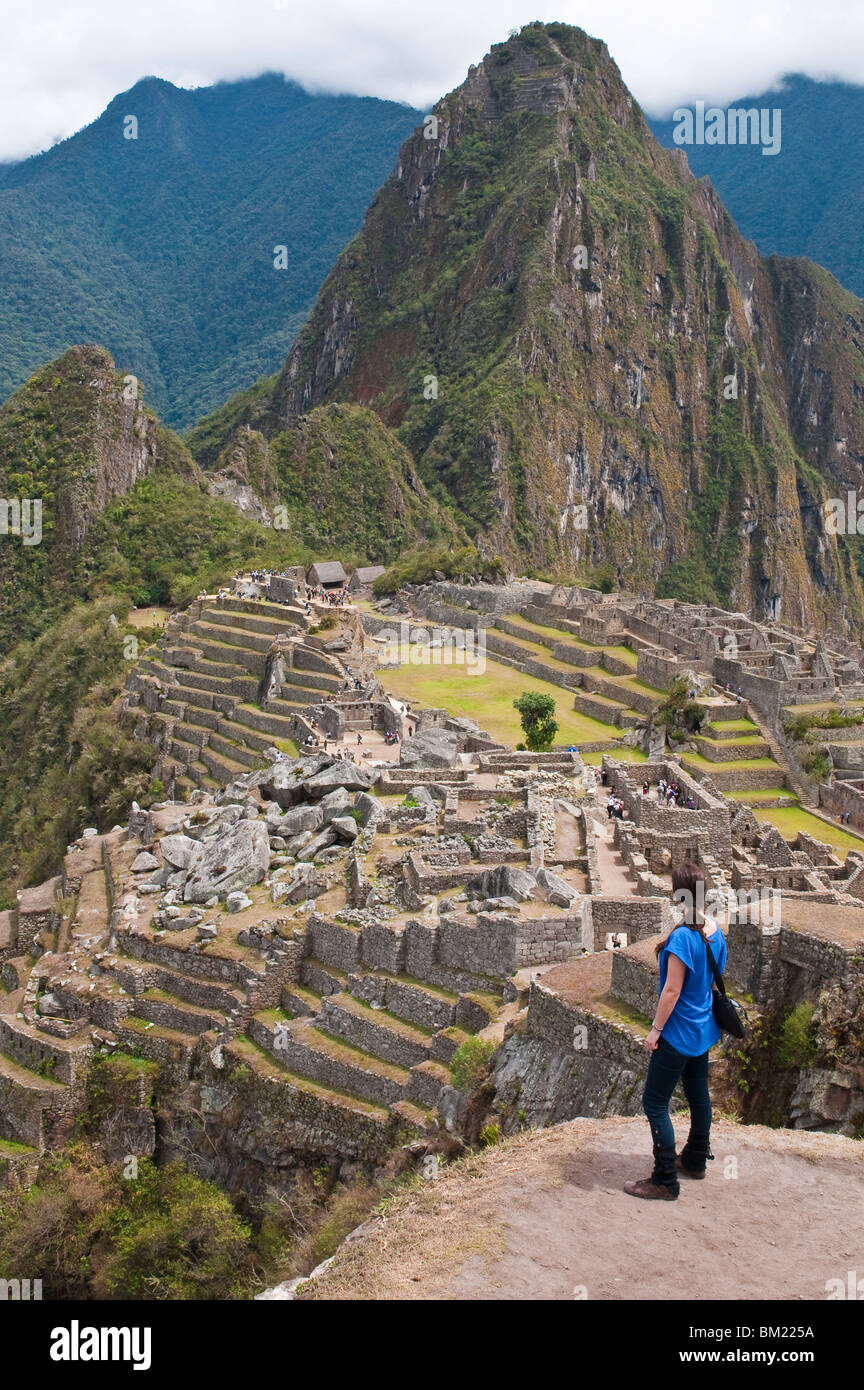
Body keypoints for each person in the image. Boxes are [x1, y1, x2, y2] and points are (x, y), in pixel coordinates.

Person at [625, 861, 726, 1201]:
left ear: (678, 893)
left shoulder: (684, 937)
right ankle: (696, 1159)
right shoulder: (715, 931)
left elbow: (671, 991)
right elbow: (712, 982)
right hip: (703, 1031)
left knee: (655, 1103)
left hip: (678, 1033)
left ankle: (665, 1179)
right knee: (698, 1095)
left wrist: (656, 1030)